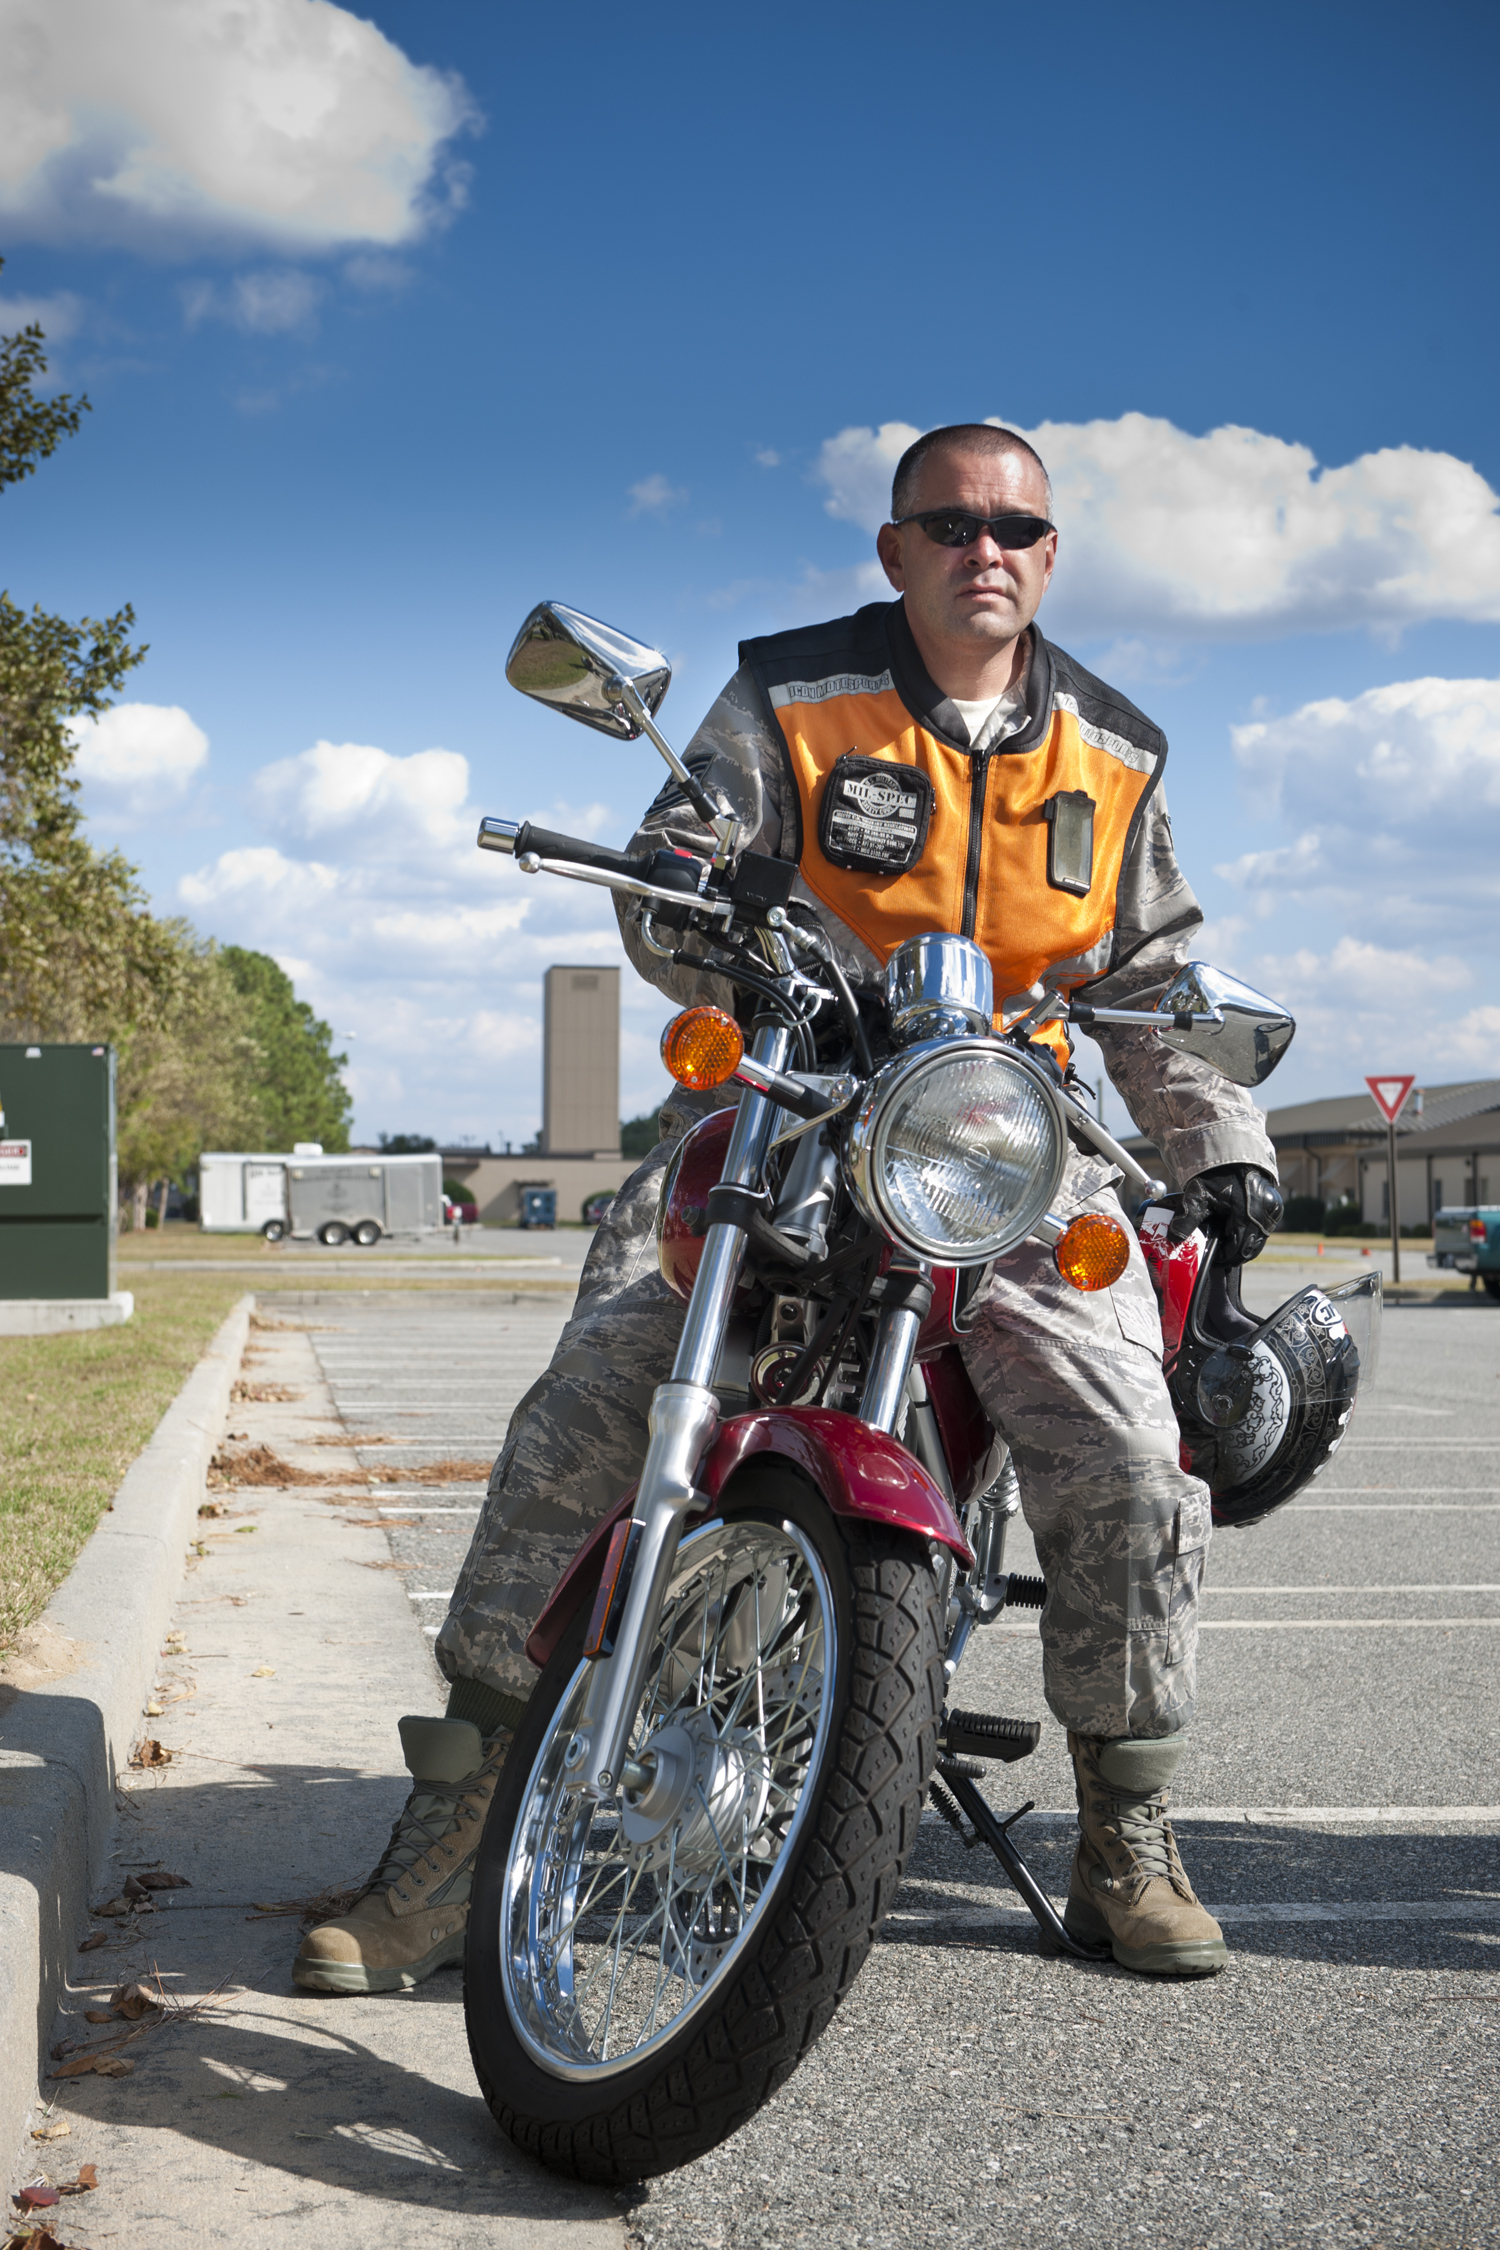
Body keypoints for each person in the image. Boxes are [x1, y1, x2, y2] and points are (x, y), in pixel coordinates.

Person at [293, 423, 1282, 1996]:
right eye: (950, 522)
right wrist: (719, 918)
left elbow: (1155, 984)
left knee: (1130, 1448)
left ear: (1048, 553)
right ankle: (453, 1830)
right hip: (792, 1098)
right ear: (895, 550)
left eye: (1018, 528)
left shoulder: (1113, 746)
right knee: (593, 1398)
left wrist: (1221, 1139)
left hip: (1003, 1144)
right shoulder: (792, 697)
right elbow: (671, 874)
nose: (987, 550)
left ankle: (1127, 1831)